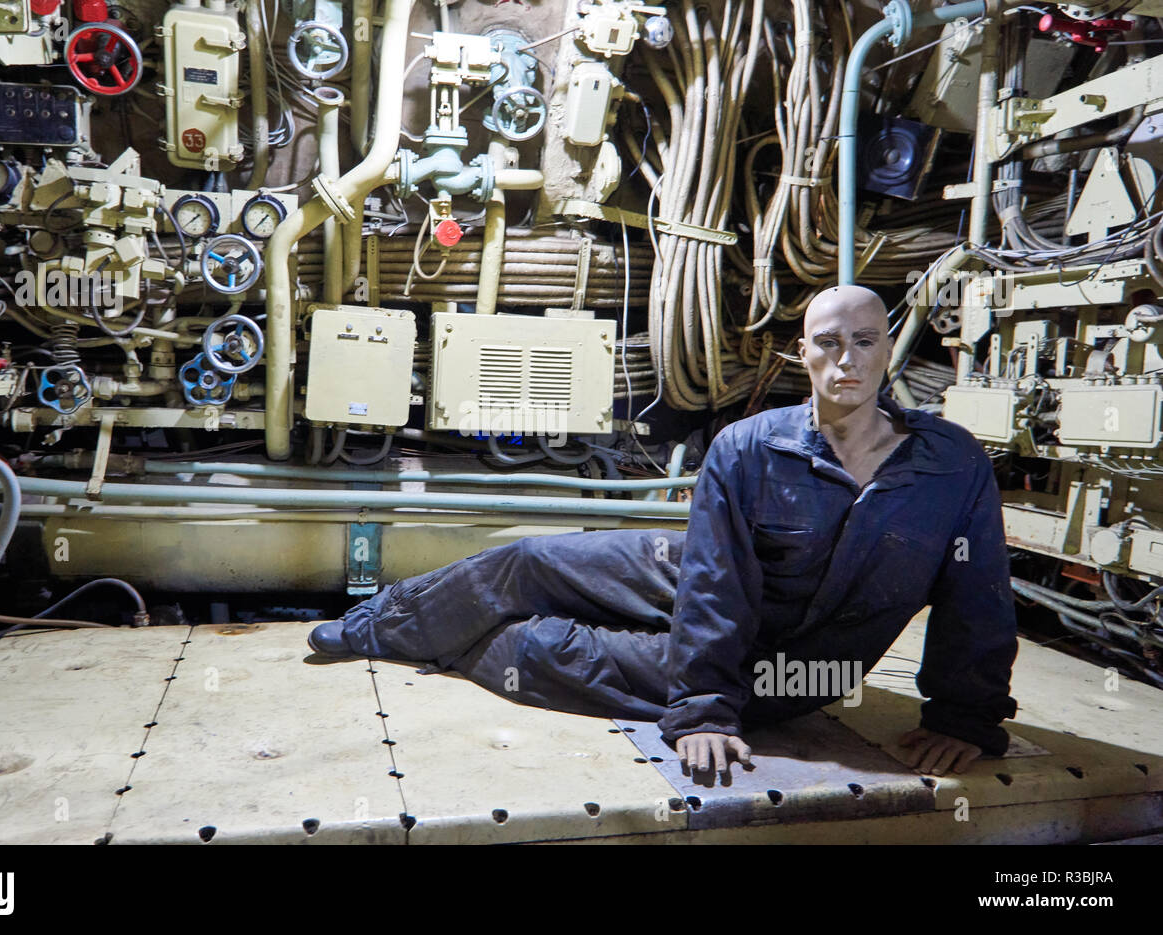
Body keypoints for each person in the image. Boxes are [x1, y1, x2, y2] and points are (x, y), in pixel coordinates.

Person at [306, 285, 1019, 781]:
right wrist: (700, 709)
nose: (848, 361)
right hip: (695, 576)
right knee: (526, 561)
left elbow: (977, 595)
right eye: (828, 343)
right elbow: (716, 579)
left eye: (865, 341)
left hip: (783, 665)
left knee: (545, 645)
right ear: (802, 353)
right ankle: (381, 624)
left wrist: (964, 715)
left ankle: (454, 644)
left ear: (888, 347)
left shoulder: (951, 464)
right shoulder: (748, 447)